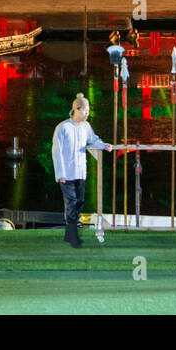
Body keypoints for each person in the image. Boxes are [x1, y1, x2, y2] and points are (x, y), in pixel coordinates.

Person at [51, 93, 111, 248]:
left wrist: (104, 145)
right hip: (67, 173)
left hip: (80, 172)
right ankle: (72, 235)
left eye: (89, 111)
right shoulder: (63, 127)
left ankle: (71, 232)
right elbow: (56, 151)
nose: (87, 113)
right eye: (85, 111)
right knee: (71, 202)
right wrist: (60, 173)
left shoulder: (85, 127)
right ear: (76, 109)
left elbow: (93, 139)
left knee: (80, 201)